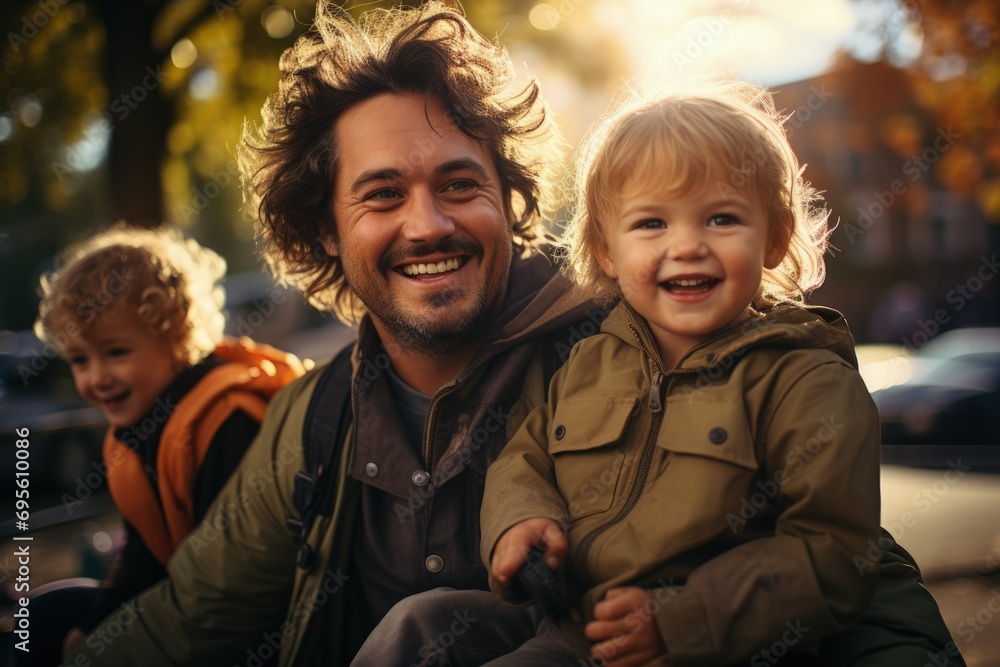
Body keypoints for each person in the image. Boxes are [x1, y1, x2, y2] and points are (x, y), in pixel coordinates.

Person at [68, 4, 962, 667]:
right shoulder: (315, 419)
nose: (428, 224)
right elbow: (190, 614)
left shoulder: (642, 345)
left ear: (508, 202)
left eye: (460, 184)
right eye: (382, 195)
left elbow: (862, 584)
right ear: (327, 233)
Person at [478, 80, 879, 665]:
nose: (687, 245)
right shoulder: (590, 362)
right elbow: (525, 458)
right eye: (651, 224)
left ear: (774, 237)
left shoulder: (803, 380)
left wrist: (689, 620)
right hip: (572, 621)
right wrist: (522, 518)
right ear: (606, 250)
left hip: (709, 646)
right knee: (419, 622)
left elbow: (836, 553)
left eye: (720, 218)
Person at [29, 225, 304, 667]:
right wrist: (91, 627)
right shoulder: (136, 432)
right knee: (48, 613)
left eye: (116, 352)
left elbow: (236, 588)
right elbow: (143, 554)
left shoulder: (226, 423)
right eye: (80, 360)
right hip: (181, 601)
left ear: (176, 338)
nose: (95, 378)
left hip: (262, 630)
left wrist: (108, 645)